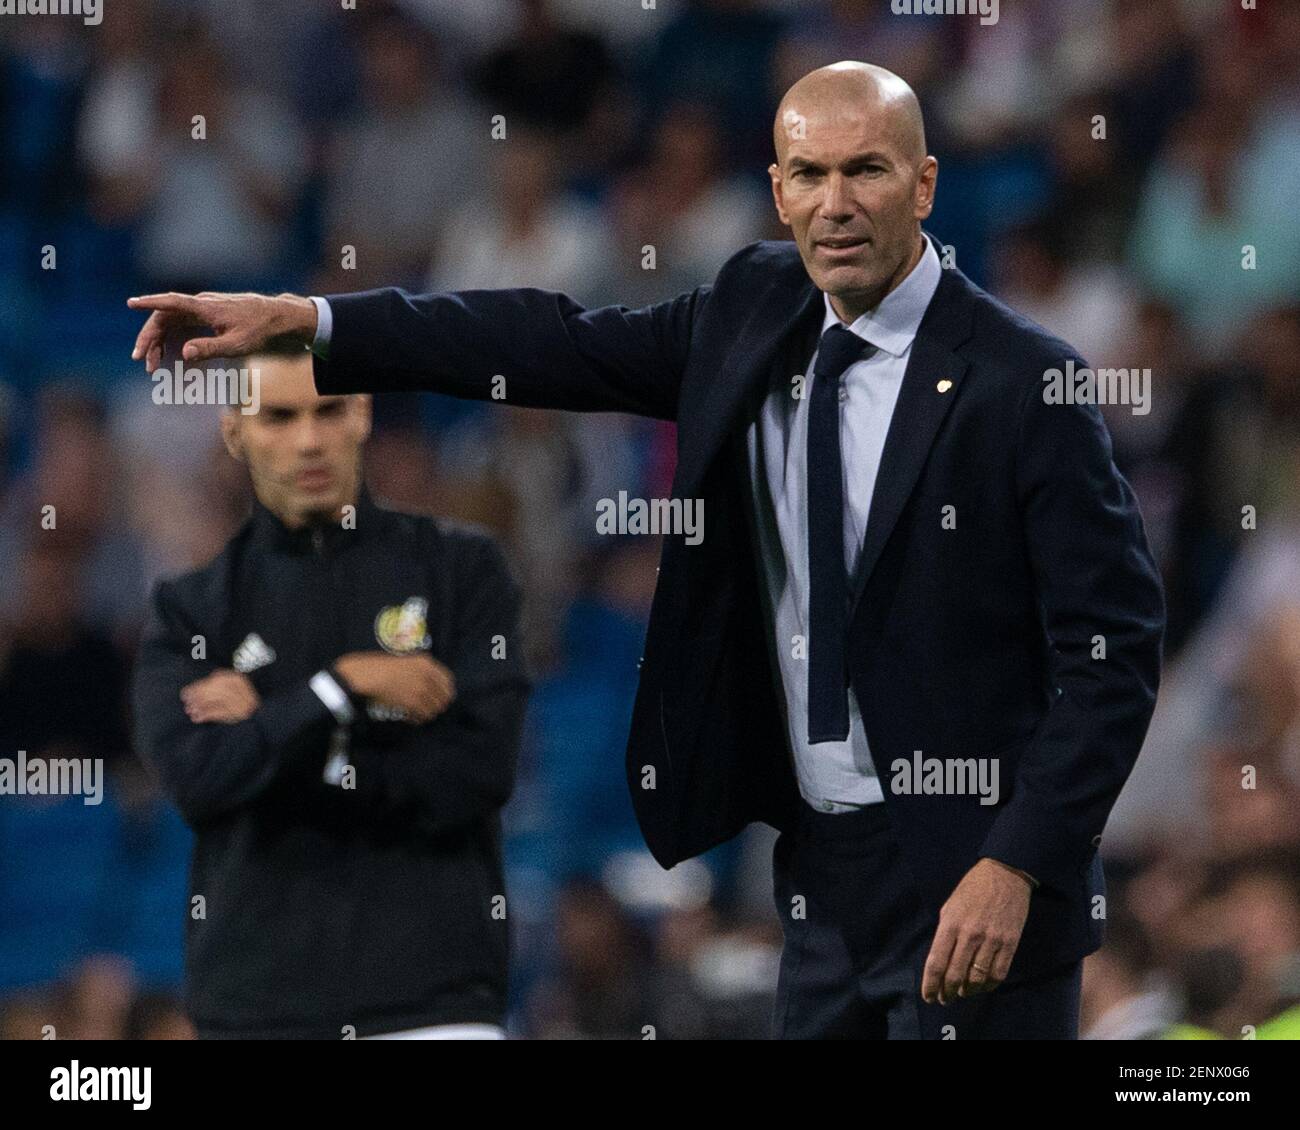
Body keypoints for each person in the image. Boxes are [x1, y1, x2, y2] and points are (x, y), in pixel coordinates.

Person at [128, 62, 1165, 1039]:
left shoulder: (1024, 382)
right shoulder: (753, 313)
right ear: (777, 188)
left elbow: (1111, 654)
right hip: (817, 876)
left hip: (975, 876)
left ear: (925, 183)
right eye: (809, 173)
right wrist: (310, 321)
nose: (836, 202)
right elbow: (539, 339)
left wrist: (1018, 862)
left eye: (867, 170)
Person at [131, 353, 529, 1039]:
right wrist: (341, 687)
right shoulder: (191, 611)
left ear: (364, 414)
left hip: (434, 1009)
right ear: (234, 430)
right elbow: (198, 778)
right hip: (253, 1014)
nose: (309, 440)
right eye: (279, 417)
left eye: (329, 411)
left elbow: (473, 776)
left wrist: (274, 731)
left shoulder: (463, 572)